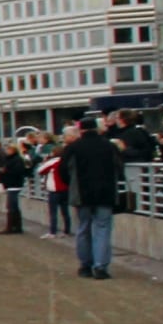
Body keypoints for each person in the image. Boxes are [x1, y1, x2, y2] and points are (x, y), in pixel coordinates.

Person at [66, 117, 119, 279]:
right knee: (102, 228)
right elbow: (119, 167)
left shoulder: (74, 147)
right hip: (105, 193)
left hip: (81, 194)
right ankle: (101, 267)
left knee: (84, 228)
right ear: (96, 128)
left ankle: (85, 265)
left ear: (80, 130)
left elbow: (64, 170)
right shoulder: (109, 146)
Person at [0, 141, 28, 233]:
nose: (7, 151)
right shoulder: (11, 159)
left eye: (8, 149)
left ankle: (10, 228)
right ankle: (17, 227)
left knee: (11, 207)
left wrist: (4, 172)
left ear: (13, 150)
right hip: (12, 185)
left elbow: (17, 172)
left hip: (14, 185)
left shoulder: (16, 160)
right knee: (14, 207)